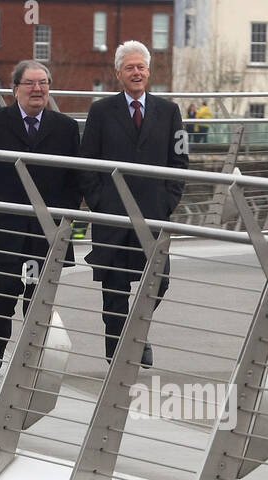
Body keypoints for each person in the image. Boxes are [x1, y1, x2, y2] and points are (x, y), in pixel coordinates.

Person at [0, 60, 82, 372]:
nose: (37, 89)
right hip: (6, 224)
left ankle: (32, 350)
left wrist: (61, 217)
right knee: (5, 285)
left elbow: (75, 179)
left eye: (43, 82)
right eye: (30, 83)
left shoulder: (66, 128)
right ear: (14, 88)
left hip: (44, 229)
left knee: (36, 288)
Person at [79, 40, 188, 367]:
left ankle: (135, 334)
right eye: (130, 67)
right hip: (112, 214)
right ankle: (116, 352)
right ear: (118, 73)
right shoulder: (100, 111)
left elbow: (180, 160)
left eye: (141, 66)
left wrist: (168, 200)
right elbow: (87, 161)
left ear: (149, 71)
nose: (136, 72)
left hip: (154, 214)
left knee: (158, 280)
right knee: (114, 285)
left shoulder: (169, 112)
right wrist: (98, 201)